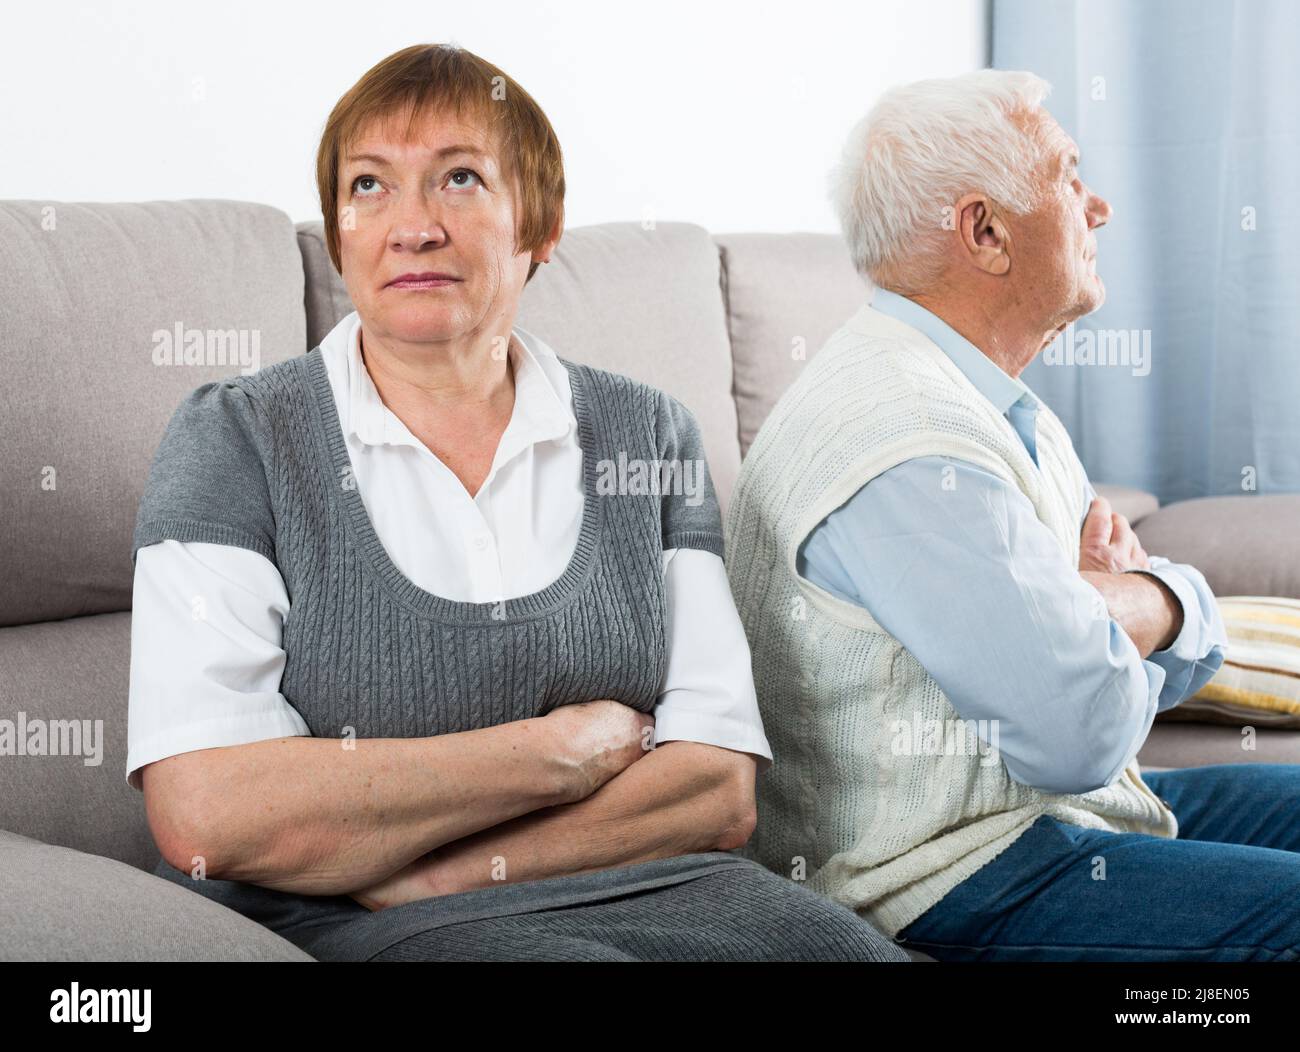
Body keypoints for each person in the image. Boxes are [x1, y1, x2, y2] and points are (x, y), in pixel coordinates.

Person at [126, 42, 907, 962]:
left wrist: (443, 875)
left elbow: (717, 788)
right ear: (339, 235)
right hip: (349, 921)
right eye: (370, 186)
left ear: (539, 225)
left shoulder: (648, 435)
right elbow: (208, 812)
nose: (411, 227)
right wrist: (556, 753)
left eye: (458, 178)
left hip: (662, 883)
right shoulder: (238, 439)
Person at [727, 69, 1300, 961]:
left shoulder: (991, 400)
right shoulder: (905, 436)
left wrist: (1112, 617)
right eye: (1070, 175)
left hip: (1056, 816)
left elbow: (1099, 699)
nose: (1099, 205)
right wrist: (1156, 603)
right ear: (986, 232)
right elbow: (1079, 733)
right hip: (945, 871)